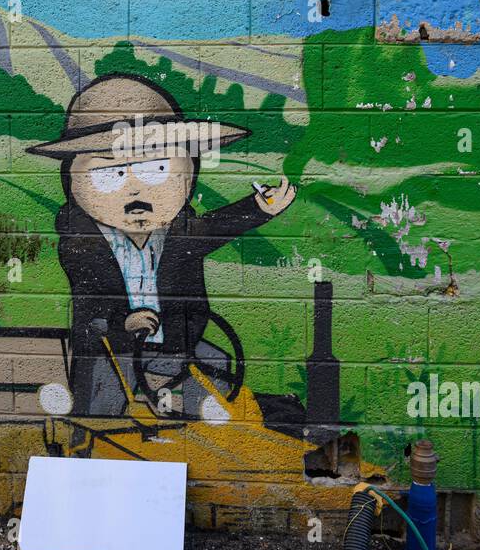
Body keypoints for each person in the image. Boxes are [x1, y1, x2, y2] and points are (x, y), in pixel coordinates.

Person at [28, 73, 295, 417]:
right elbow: (90, 304)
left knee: (216, 362)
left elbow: (217, 227)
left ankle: (209, 438)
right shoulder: (82, 245)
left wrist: (259, 207)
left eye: (156, 169)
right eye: (111, 175)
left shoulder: (180, 234)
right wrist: (123, 323)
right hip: (114, 346)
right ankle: (94, 438)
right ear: (73, 183)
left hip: (172, 345)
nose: (136, 190)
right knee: (104, 391)